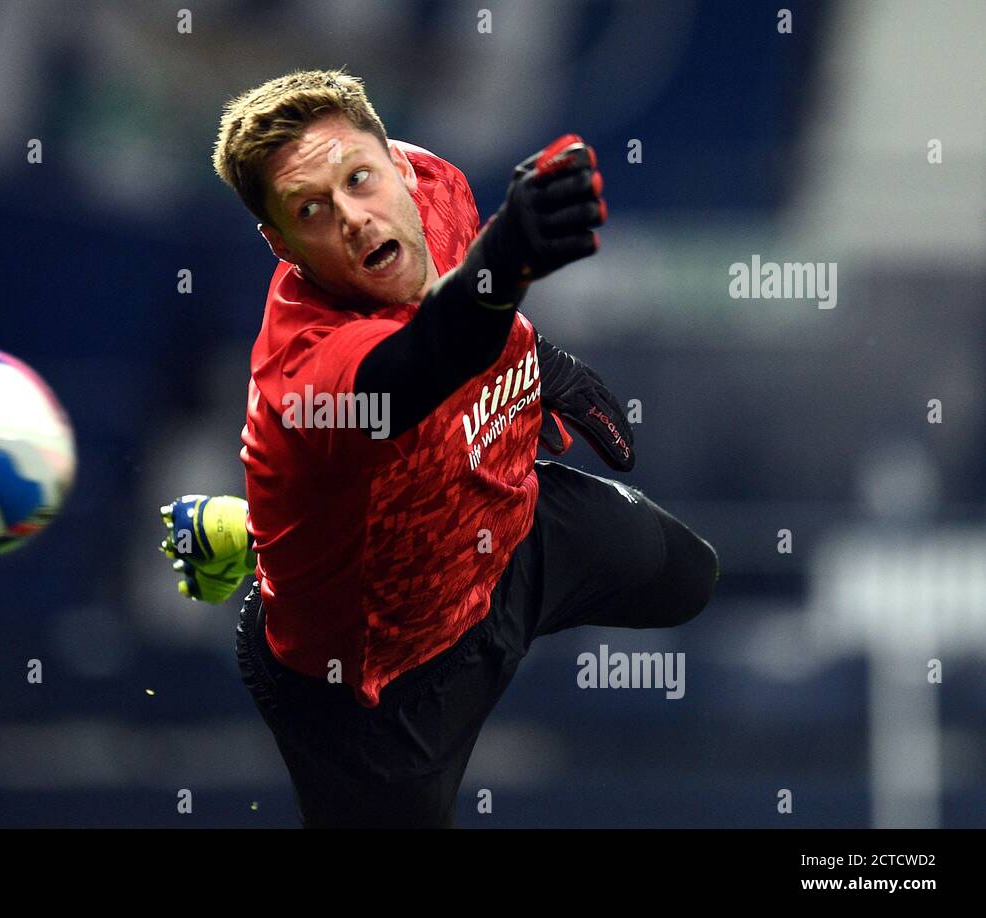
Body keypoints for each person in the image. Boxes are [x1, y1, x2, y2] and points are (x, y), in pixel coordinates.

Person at [159, 69, 718, 828]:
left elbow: (459, 305)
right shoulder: (307, 372)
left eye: (360, 177)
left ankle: (263, 526)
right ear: (280, 243)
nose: (354, 217)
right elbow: (422, 360)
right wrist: (505, 268)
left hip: (511, 533)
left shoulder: (436, 183)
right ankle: (260, 533)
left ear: (395, 160)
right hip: (375, 689)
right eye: (311, 211)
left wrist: (538, 357)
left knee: (689, 578)